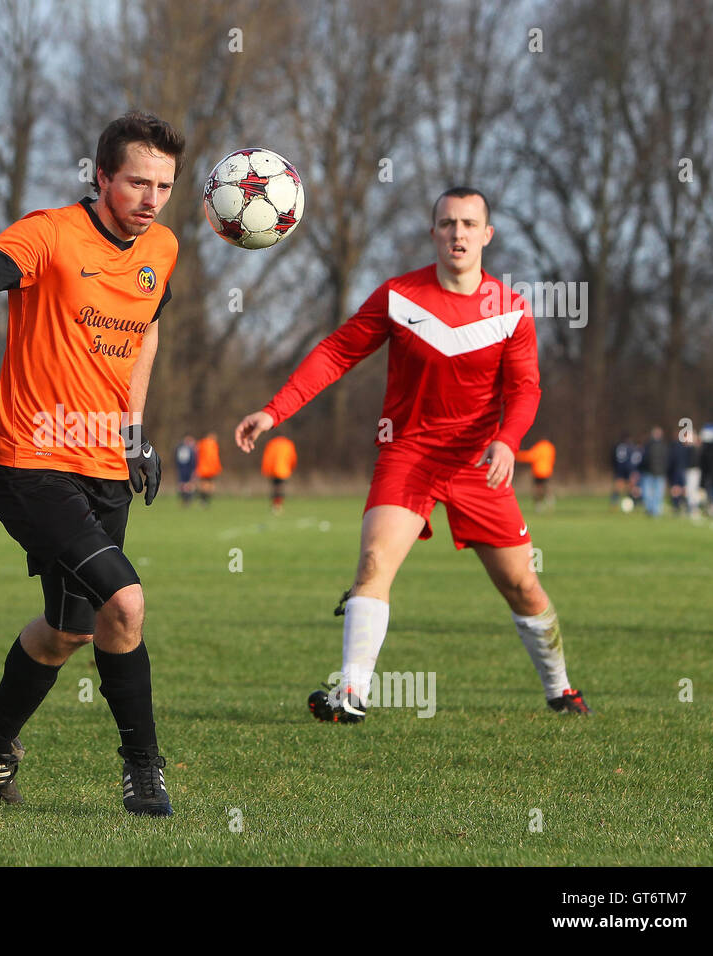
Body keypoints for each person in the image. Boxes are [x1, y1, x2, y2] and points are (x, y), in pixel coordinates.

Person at [0, 111, 185, 816]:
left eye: (164, 185)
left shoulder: (163, 247)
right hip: (29, 460)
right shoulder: (48, 234)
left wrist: (136, 431)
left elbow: (145, 333)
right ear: (103, 176)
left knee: (70, 631)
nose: (151, 198)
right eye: (137, 182)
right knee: (127, 600)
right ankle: (144, 768)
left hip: (105, 462)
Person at [235, 186, 591, 723]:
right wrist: (274, 410)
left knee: (522, 584)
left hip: (478, 463)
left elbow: (526, 390)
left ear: (487, 235)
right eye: (448, 223)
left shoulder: (511, 309)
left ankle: (561, 689)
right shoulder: (398, 296)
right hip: (409, 455)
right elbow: (337, 352)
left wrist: (507, 440)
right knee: (374, 562)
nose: (458, 233)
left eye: (470, 224)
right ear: (433, 233)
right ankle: (351, 693)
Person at [260, 433, 298, 514]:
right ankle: (278, 505)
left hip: (273, 470)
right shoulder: (288, 444)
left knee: (275, 487)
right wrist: (292, 467)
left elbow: (267, 457)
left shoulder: (271, 444)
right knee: (280, 487)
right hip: (284, 469)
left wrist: (265, 469)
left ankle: (276, 505)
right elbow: (292, 457)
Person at [515, 438, 555, 511]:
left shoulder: (539, 447)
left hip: (538, 471)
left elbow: (531, 456)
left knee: (537, 489)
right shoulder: (550, 447)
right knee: (545, 487)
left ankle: (539, 504)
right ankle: (549, 499)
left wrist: (517, 455)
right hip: (547, 471)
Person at [640, 426, 669, 517]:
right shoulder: (650, 445)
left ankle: (654, 510)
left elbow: (667, 460)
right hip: (652, 472)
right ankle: (653, 510)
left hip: (656, 472)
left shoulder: (648, 445)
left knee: (655, 493)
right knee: (652, 493)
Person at [195, 431, 221, 505]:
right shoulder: (213, 445)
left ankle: (203, 498)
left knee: (204, 484)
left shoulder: (201, 443)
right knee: (208, 484)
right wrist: (218, 468)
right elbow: (215, 459)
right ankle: (205, 499)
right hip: (209, 469)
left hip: (202, 468)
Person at [174, 434, 197, 506]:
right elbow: (193, 461)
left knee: (182, 484)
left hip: (182, 469)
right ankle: (187, 500)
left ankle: (184, 500)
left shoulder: (179, 448)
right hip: (188, 469)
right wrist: (194, 469)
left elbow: (176, 460)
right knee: (188, 484)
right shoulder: (190, 449)